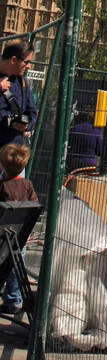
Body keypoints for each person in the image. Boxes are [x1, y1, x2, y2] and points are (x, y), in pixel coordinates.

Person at [0, 142, 38, 322]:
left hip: (2, 239)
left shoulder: (2, 186)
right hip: (19, 237)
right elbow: (34, 206)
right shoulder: (27, 184)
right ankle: (14, 300)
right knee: (16, 267)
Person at [0, 41, 37, 151]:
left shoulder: (22, 82)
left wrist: (26, 125)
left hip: (14, 152)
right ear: (13, 60)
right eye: (26, 62)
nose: (29, 66)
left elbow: (32, 111)